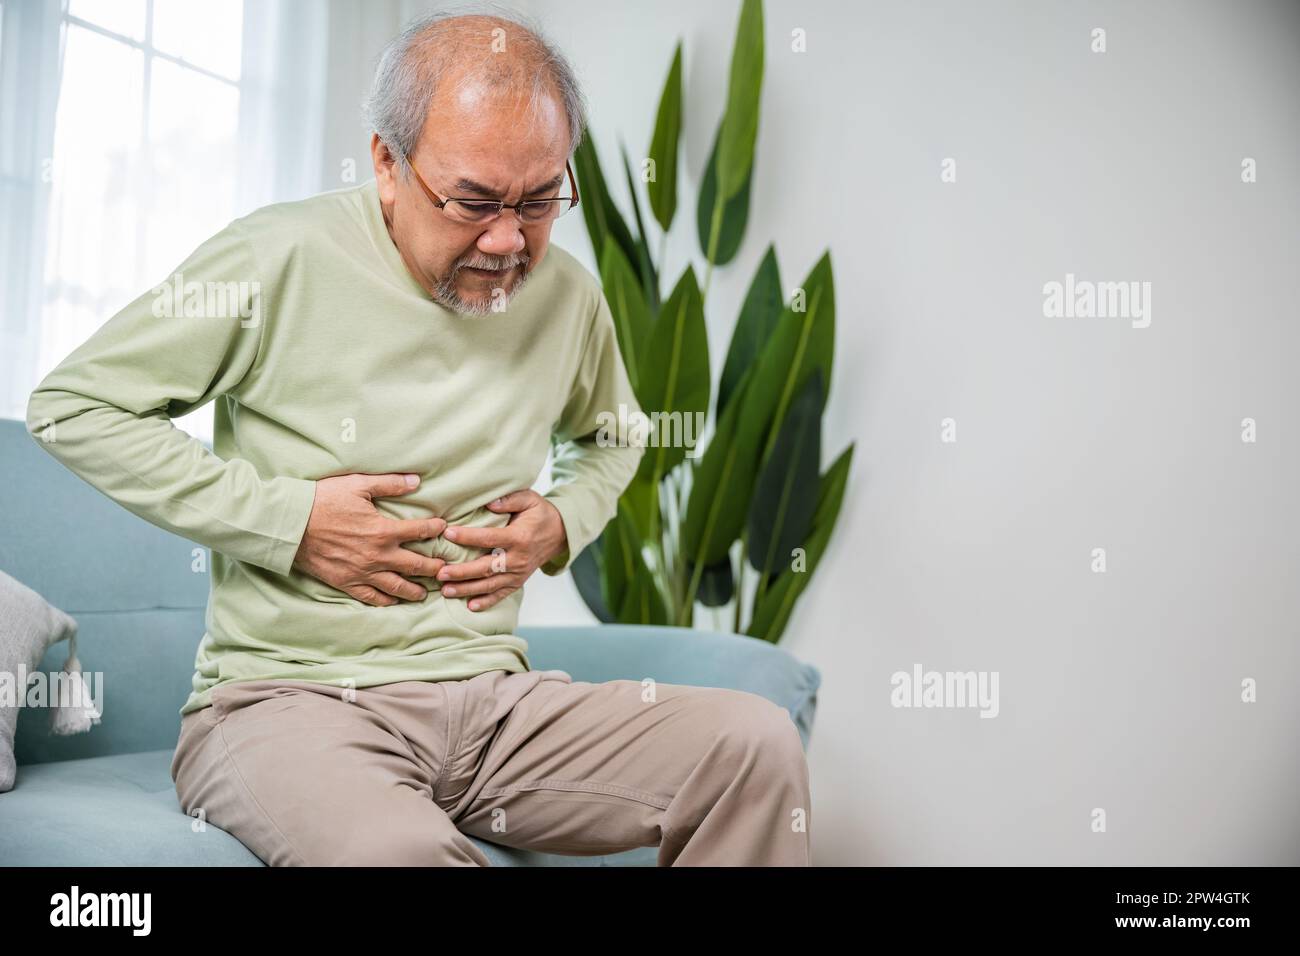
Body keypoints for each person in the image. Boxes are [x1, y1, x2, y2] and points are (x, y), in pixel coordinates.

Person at [25, 8, 811, 867]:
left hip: (496, 708)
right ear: (387, 165)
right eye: (474, 201)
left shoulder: (568, 297)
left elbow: (615, 434)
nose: (510, 239)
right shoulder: (277, 257)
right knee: (400, 850)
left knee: (754, 747)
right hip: (284, 706)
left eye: (541, 199)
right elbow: (75, 405)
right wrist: (290, 522)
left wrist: (561, 522)